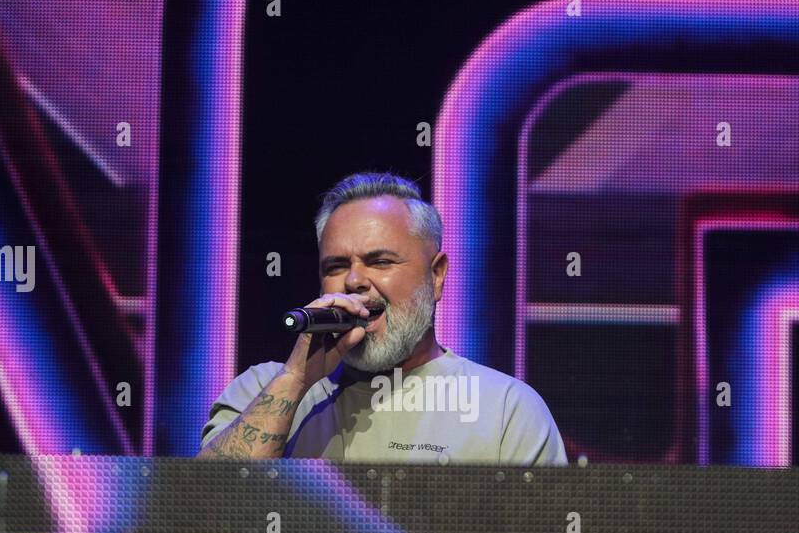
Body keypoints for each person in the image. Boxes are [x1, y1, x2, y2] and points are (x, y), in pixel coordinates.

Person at [198, 172, 567, 465]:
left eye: (380, 262)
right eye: (337, 266)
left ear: (436, 275)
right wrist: (296, 379)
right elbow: (199, 516)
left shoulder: (504, 408)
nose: (355, 281)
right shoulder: (262, 388)